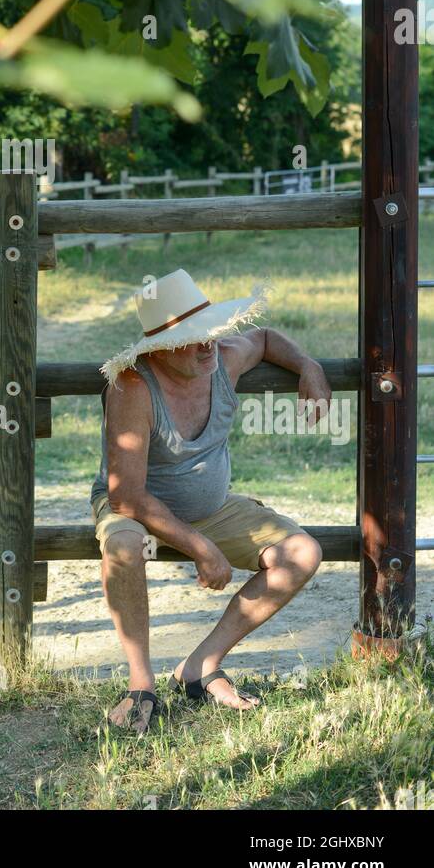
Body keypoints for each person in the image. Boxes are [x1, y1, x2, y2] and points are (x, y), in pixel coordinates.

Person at [92, 268, 330, 733]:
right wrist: (201, 546)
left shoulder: (222, 357)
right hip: (137, 510)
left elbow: (262, 338)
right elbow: (127, 495)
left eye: (210, 333)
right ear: (158, 347)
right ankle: (141, 687)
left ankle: (201, 665)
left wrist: (310, 367)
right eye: (192, 338)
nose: (208, 346)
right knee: (123, 547)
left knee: (302, 553)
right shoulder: (133, 387)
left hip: (213, 507)